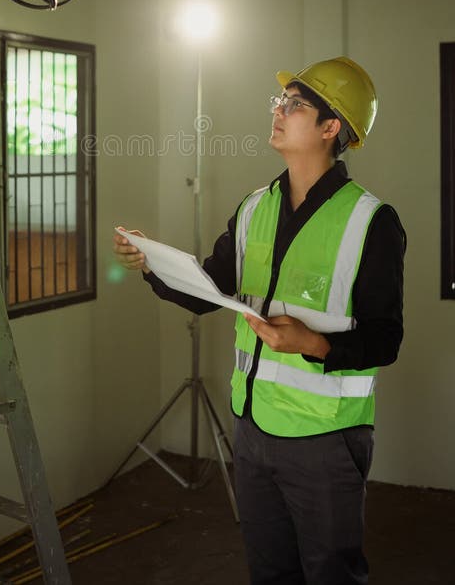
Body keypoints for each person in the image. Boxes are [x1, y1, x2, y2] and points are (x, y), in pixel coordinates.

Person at [114, 56, 405, 585]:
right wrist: (151, 265)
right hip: (250, 428)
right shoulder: (253, 208)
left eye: (295, 105)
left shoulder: (371, 221)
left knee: (331, 574)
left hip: (325, 438)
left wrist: (313, 342)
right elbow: (210, 292)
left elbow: (386, 340)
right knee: (270, 573)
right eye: (280, 101)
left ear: (330, 127)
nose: (278, 111)